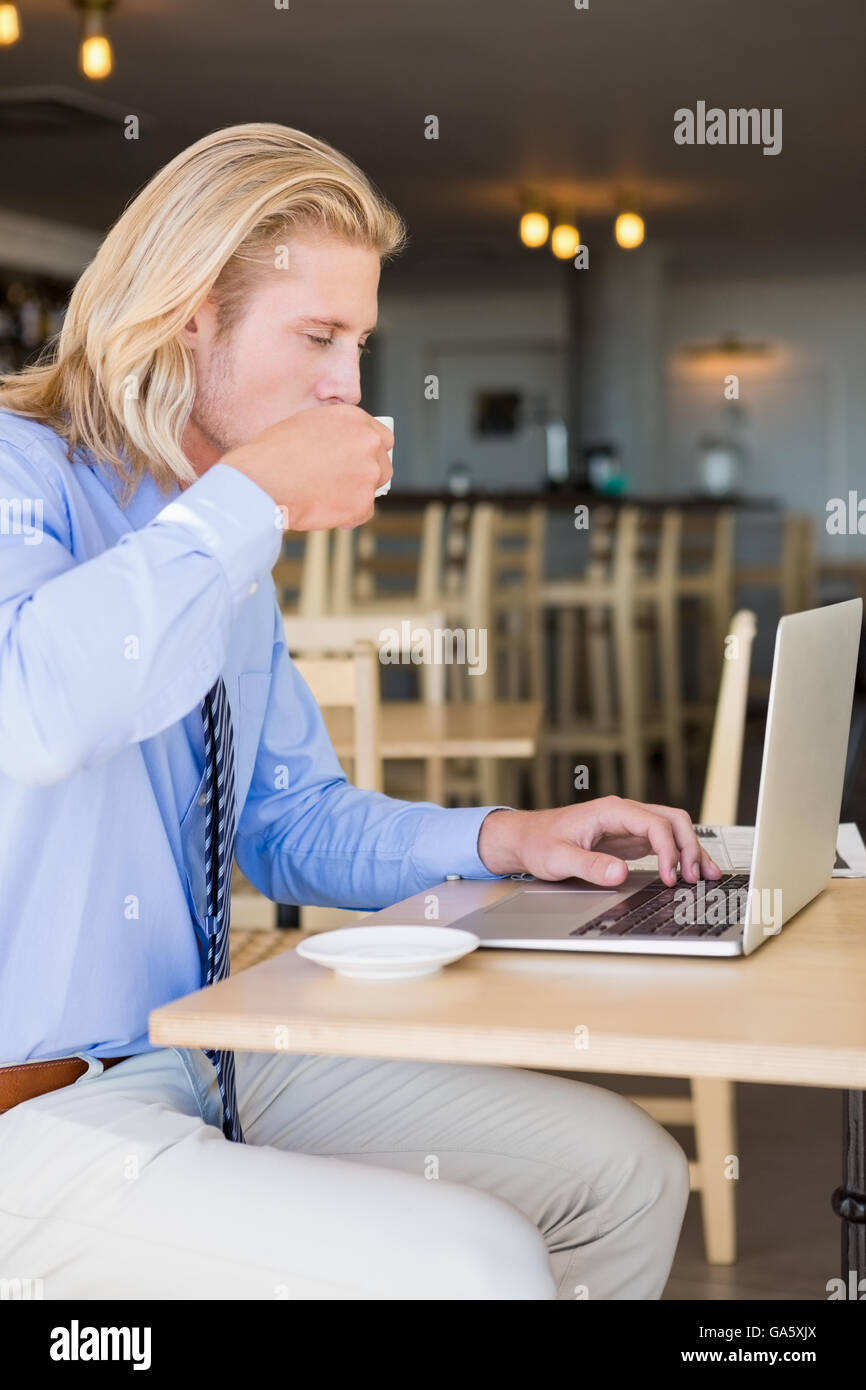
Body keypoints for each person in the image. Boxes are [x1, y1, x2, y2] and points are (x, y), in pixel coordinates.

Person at [0, 123, 720, 1301]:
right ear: (192, 315)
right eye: (318, 337)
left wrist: (503, 838)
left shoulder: (213, 534)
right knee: (473, 1266)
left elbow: (288, 816)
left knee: (624, 1172)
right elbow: (35, 710)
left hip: (191, 1052)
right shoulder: (23, 474)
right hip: (33, 1106)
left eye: (361, 342)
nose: (347, 383)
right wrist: (251, 498)